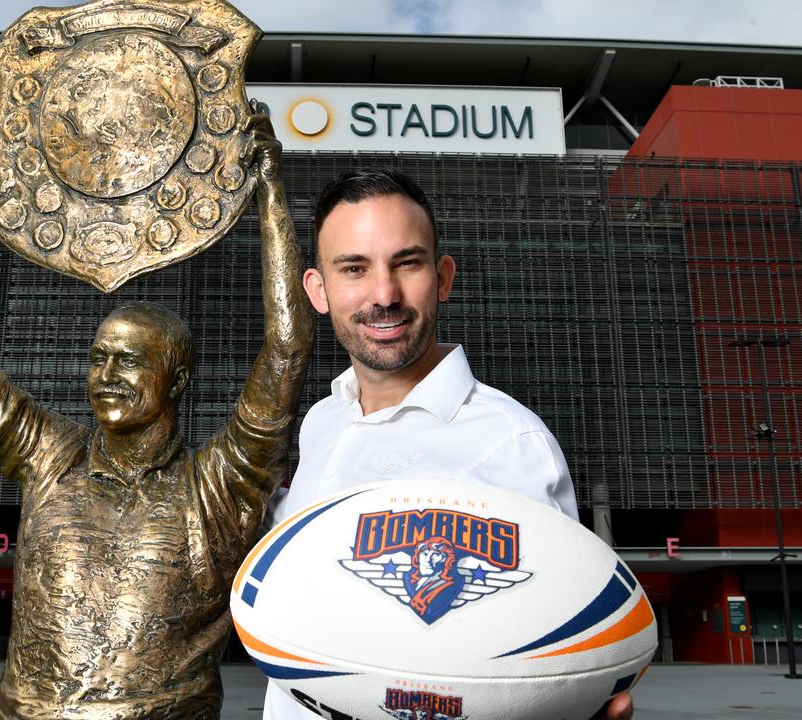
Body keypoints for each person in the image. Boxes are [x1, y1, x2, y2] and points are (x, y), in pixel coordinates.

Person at [0, 113, 312, 719]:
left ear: (176, 379)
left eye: (129, 361)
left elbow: (286, 350)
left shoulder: (220, 486)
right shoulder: (48, 455)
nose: (106, 377)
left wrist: (271, 196)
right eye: (98, 358)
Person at [261, 167, 633, 720]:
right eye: (354, 268)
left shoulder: (513, 442)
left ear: (443, 278)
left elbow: (552, 628)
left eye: (407, 264)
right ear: (318, 290)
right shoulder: (321, 420)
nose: (383, 295)